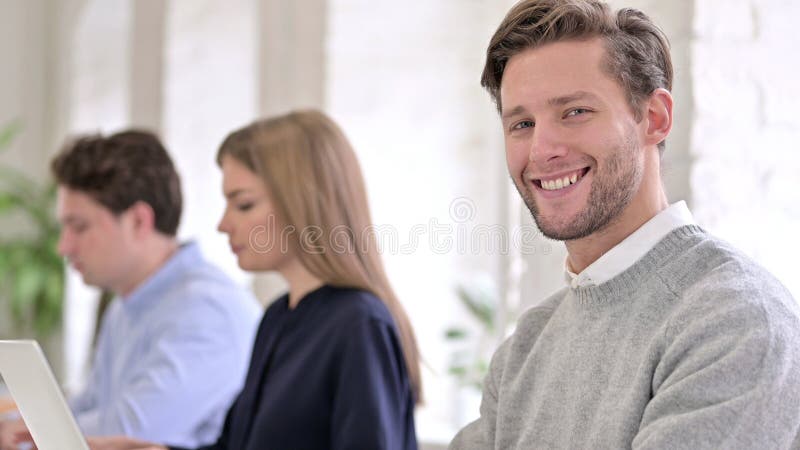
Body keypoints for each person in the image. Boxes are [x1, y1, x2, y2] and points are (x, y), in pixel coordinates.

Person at [450, 0, 800, 448]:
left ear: (654, 118)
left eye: (574, 112)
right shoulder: (525, 348)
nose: (541, 150)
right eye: (521, 123)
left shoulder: (736, 321)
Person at [88, 110, 422, 450]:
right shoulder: (278, 318)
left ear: (302, 203)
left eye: (244, 204)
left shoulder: (358, 325)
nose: (223, 224)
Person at [0, 131, 261, 449]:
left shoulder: (208, 310)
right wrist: (17, 421)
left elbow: (125, 433)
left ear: (139, 221)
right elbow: (84, 410)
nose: (63, 247)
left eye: (79, 226)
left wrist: (22, 434)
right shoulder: (127, 304)